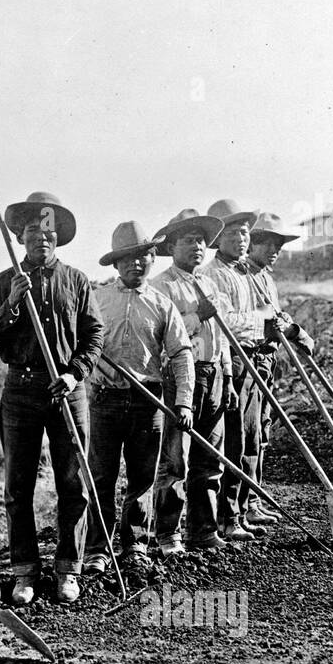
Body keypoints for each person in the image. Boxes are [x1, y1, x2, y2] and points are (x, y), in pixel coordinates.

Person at [0, 192, 105, 605]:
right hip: (20, 390)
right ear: (20, 237)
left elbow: (94, 336)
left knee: (75, 481)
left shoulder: (76, 280)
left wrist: (74, 374)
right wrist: (13, 304)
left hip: (67, 391)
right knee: (18, 486)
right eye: (32, 229)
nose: (41, 237)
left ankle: (68, 569)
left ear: (58, 237)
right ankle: (24, 573)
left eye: (48, 229)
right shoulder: (5, 282)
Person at [84, 222, 194, 575]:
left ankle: (134, 545)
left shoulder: (163, 305)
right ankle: (97, 549)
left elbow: (181, 353)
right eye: (129, 258)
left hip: (149, 402)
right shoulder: (98, 301)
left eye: (144, 256)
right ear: (116, 264)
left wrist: (185, 402)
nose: (137, 264)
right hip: (105, 400)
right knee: (101, 475)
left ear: (151, 259)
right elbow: (81, 347)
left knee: (143, 477)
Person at [148, 208, 233, 555]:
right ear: (172, 245)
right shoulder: (161, 285)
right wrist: (199, 314)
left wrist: (227, 375)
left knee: (210, 457)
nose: (197, 247)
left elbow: (222, 336)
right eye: (188, 240)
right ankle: (168, 533)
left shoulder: (210, 281)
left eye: (200, 240)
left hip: (212, 373)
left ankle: (204, 530)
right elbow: (166, 336)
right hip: (181, 378)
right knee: (174, 460)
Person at [199, 199, 274, 542]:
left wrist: (271, 323)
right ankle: (228, 518)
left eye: (244, 232)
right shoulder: (215, 274)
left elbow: (259, 316)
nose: (241, 239)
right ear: (218, 239)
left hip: (255, 357)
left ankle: (244, 509)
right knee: (234, 440)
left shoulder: (244, 273)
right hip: (233, 361)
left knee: (252, 438)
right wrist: (263, 323)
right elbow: (228, 323)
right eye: (232, 233)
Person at [245, 211, 314, 527]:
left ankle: (253, 501)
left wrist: (297, 331)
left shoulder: (266, 279)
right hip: (247, 362)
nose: (274, 251)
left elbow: (278, 317)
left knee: (262, 433)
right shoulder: (243, 276)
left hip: (267, 362)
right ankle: (241, 505)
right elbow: (258, 323)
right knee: (248, 435)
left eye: (278, 245)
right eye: (268, 244)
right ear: (251, 244)